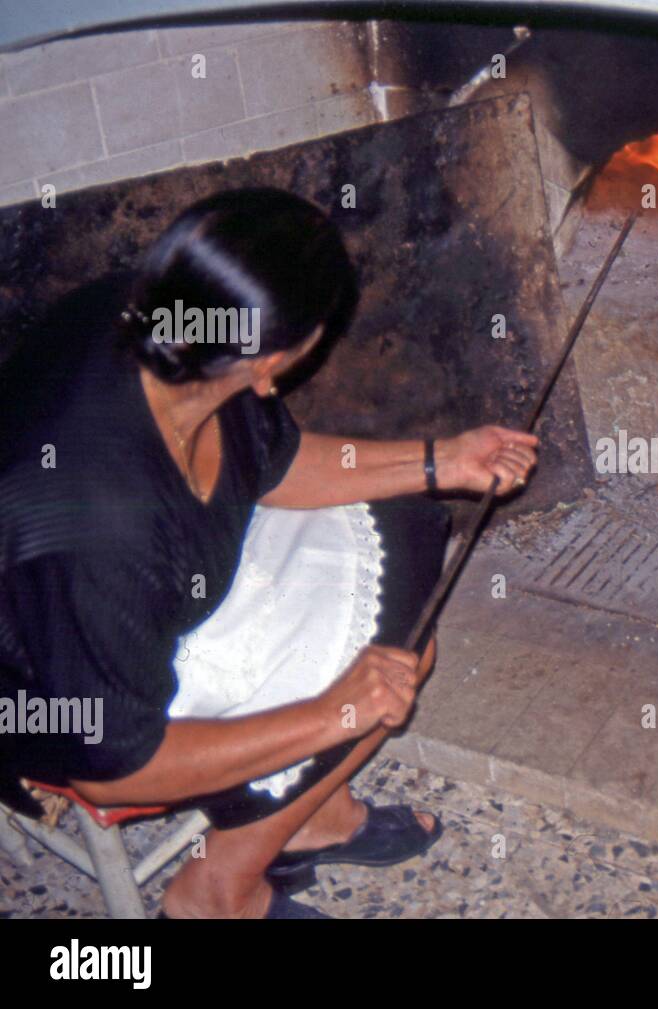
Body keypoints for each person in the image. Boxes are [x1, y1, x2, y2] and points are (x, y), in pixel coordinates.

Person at [0, 188, 539, 918]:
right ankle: (214, 895)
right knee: (375, 679)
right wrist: (330, 714)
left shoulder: (169, 324)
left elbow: (273, 463)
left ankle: (303, 821)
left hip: (152, 585)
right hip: (48, 684)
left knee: (405, 587)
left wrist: (445, 459)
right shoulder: (95, 517)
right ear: (271, 363)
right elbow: (112, 768)